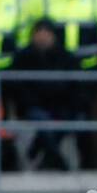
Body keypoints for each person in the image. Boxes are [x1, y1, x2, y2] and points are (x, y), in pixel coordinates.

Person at [9, 18, 89, 170]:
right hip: (33, 106)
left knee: (75, 118)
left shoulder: (66, 56)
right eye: (39, 33)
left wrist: (71, 103)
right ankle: (59, 162)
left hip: (61, 106)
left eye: (46, 33)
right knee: (41, 120)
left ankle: (39, 147)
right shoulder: (23, 56)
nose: (42, 37)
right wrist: (29, 101)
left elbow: (76, 85)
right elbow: (17, 87)